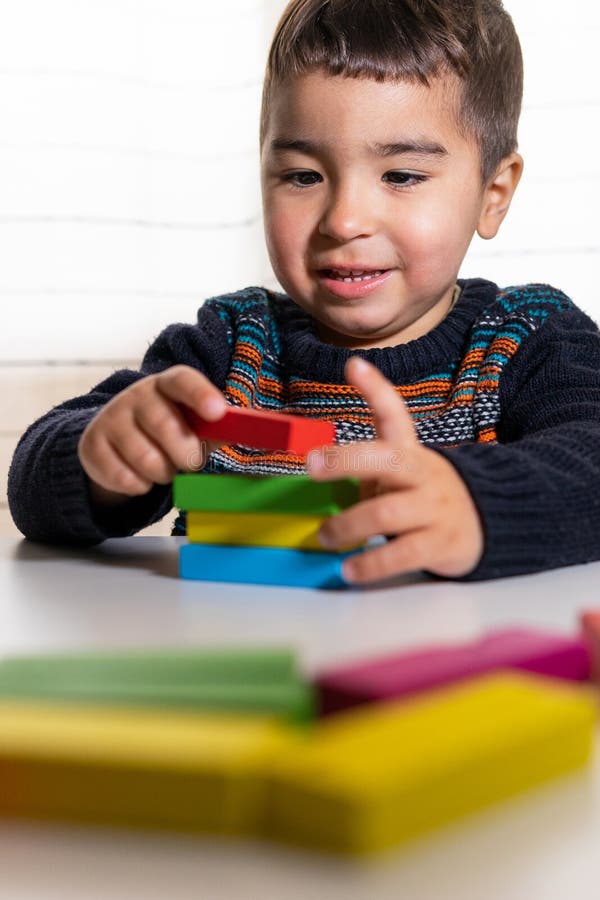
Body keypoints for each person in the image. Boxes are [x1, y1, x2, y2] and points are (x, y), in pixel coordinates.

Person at [8, 0, 600, 584]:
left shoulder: (526, 337)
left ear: (493, 193)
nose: (343, 220)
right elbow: (34, 487)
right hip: (239, 656)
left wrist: (477, 499)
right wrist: (104, 459)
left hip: (446, 665)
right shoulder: (233, 346)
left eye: (401, 176)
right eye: (302, 176)